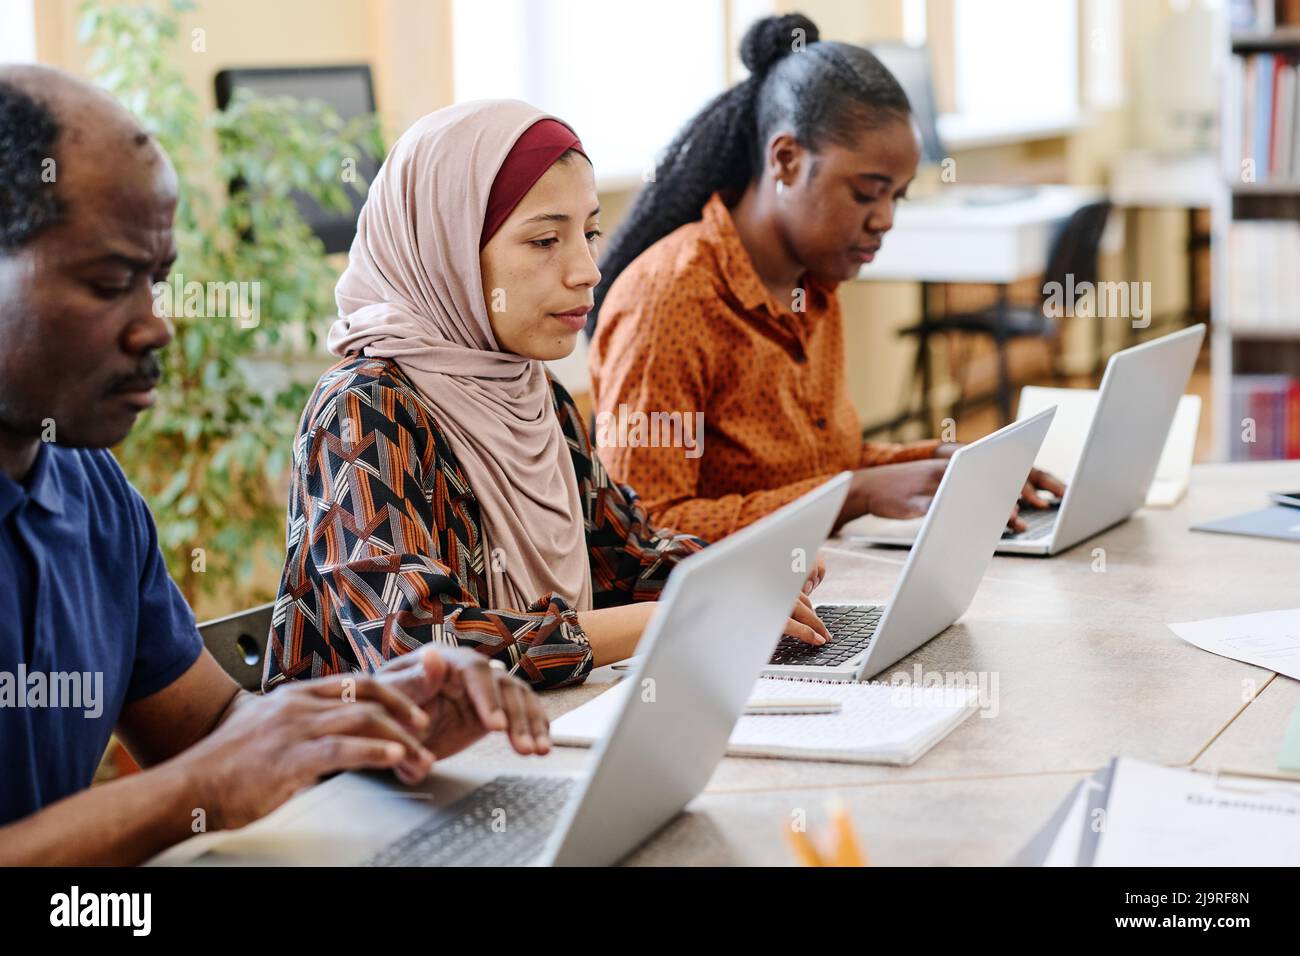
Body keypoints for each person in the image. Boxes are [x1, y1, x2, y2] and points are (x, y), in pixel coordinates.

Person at [0, 66, 548, 866]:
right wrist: (204, 788)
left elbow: (210, 726)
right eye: (112, 283)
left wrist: (362, 715)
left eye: (158, 282)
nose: (156, 328)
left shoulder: (89, 491)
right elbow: (207, 771)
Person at [265, 99, 835, 698]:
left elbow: (625, 556)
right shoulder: (364, 408)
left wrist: (740, 570)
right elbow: (418, 647)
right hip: (376, 776)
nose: (587, 269)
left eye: (590, 232)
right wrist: (679, 615)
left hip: (537, 738)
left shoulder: (537, 392)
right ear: (449, 248)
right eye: (544, 241)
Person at [587, 13, 1062, 542]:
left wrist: (947, 460)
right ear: (786, 160)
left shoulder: (812, 283)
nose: (885, 220)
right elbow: (645, 532)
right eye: (866, 192)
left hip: (814, 581)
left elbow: (818, 464)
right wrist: (855, 493)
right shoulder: (669, 302)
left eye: (896, 197)